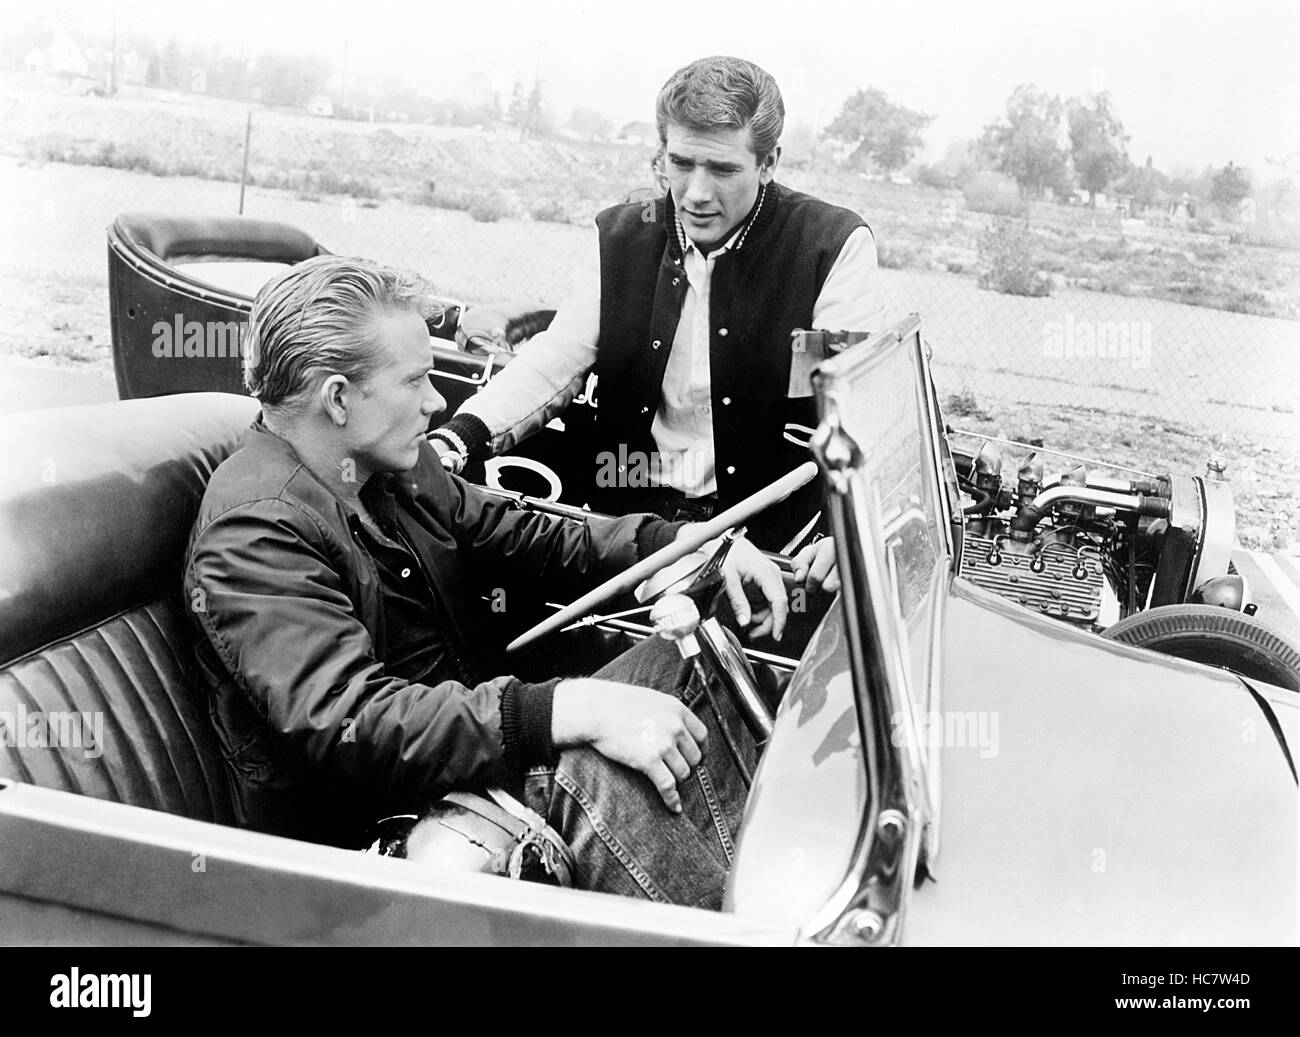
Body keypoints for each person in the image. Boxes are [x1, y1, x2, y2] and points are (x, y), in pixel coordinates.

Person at [183, 254, 789, 908]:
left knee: (680, 663)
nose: (437, 401)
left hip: (464, 758)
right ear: (336, 398)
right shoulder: (257, 529)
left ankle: (759, 901)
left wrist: (680, 546)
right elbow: (351, 720)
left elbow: (525, 531)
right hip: (369, 833)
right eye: (415, 380)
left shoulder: (388, 469)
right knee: (590, 763)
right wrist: (564, 710)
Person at [432, 55, 886, 594]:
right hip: (638, 519)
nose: (695, 192)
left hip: (775, 537)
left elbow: (852, 409)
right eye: (681, 163)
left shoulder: (827, 249)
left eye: (722, 169)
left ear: (769, 163)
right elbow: (557, 359)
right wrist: (458, 440)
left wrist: (847, 529)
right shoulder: (624, 239)